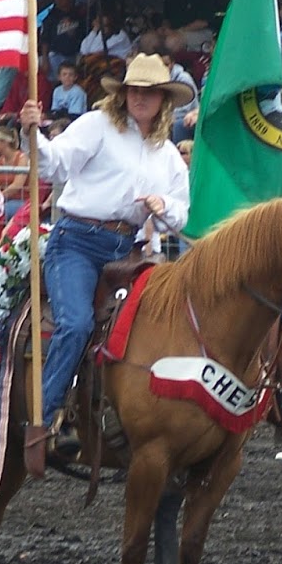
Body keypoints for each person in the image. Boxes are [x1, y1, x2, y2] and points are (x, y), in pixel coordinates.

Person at [19, 53, 191, 456]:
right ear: (124, 93)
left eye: (150, 92)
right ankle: (43, 418)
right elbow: (54, 165)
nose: (141, 98)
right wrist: (34, 135)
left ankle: (129, 415)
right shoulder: (96, 126)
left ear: (163, 99)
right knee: (77, 324)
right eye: (135, 90)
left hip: (127, 251)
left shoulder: (166, 153)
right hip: (76, 241)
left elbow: (182, 210)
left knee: (151, 330)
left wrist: (164, 206)